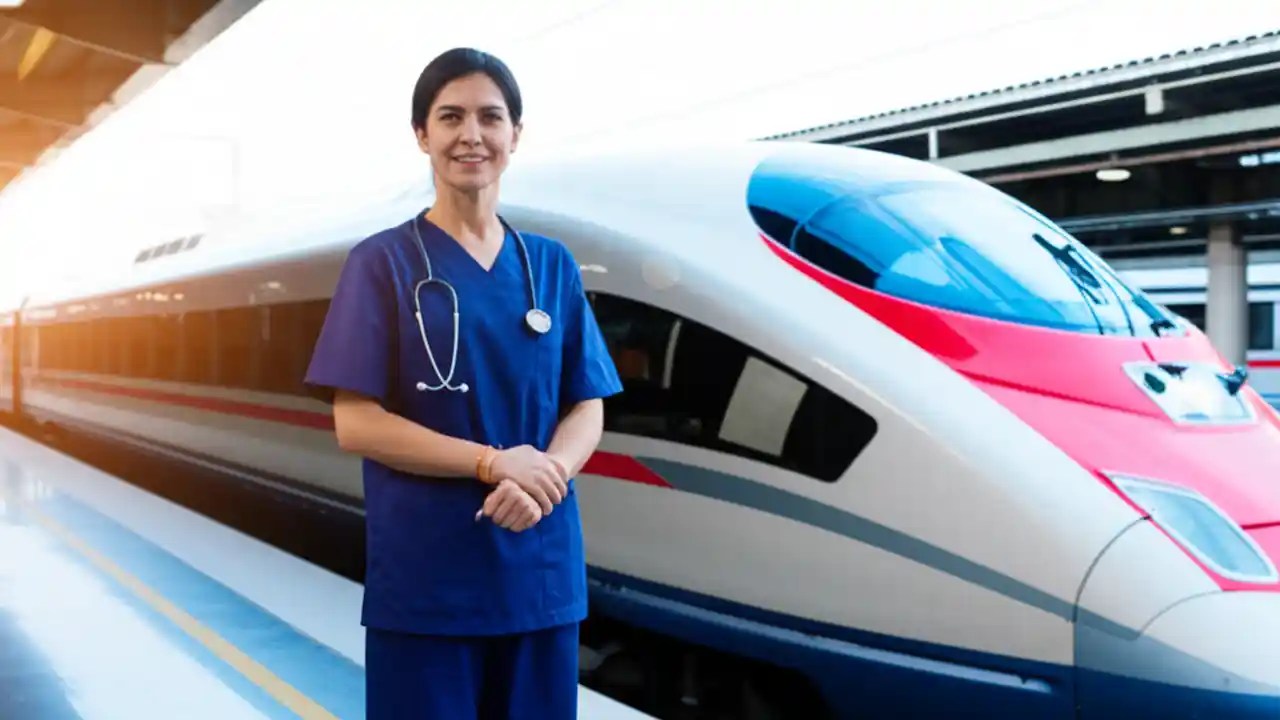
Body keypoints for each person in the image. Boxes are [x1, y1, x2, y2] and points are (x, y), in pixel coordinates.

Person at [303, 47, 623, 719]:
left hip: (539, 577)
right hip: (428, 584)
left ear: (515, 136)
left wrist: (547, 475)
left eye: (490, 117)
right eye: (450, 117)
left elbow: (586, 403)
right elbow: (355, 422)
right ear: (423, 135)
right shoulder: (381, 264)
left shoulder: (551, 266)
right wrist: (491, 462)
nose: (470, 135)